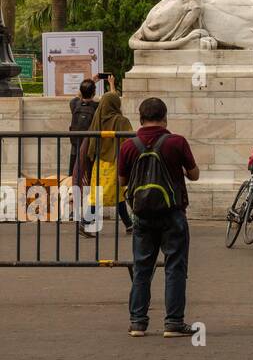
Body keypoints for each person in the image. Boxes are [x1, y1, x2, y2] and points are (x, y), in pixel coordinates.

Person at [119, 97, 198, 338]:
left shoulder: (129, 146)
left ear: (140, 118)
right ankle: (173, 323)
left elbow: (122, 182)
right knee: (175, 267)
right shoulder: (176, 142)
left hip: (142, 214)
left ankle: (137, 323)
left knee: (142, 268)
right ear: (165, 117)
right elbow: (194, 174)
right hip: (172, 212)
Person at [78, 91, 134, 236]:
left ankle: (129, 225)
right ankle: (86, 222)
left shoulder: (97, 119)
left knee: (114, 193)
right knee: (104, 194)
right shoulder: (121, 121)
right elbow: (129, 142)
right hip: (114, 162)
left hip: (99, 163)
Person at [68, 78, 102, 180]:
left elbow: (78, 95)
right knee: (90, 176)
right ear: (94, 93)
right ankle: (89, 195)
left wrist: (90, 81)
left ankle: (75, 194)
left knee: (74, 175)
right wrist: (111, 84)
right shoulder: (97, 107)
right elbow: (112, 101)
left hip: (75, 146)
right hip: (90, 148)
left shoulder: (74, 104)